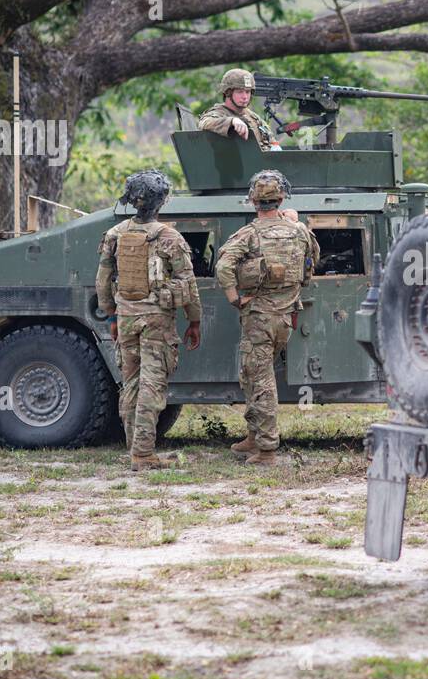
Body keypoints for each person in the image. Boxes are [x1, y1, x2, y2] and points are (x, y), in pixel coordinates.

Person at [96, 169, 202, 471]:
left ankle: (135, 448)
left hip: (127, 317)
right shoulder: (170, 237)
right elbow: (188, 284)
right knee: (152, 385)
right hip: (157, 322)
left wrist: (113, 315)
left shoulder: (115, 235)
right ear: (162, 201)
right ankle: (143, 455)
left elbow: (103, 282)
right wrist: (194, 321)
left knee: (130, 383)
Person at [215, 170, 319, 464]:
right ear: (282, 198)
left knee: (259, 378)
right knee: (252, 374)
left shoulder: (249, 234)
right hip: (285, 316)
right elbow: (312, 260)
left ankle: (267, 450)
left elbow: (223, 267)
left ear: (252, 201)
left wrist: (235, 298)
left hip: (259, 317)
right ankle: (254, 437)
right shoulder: (298, 231)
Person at [199, 68, 276, 150]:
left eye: (247, 92)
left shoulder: (254, 118)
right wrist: (232, 121)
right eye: (240, 92)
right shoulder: (219, 113)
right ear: (228, 92)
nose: (245, 97)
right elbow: (204, 123)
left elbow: (273, 143)